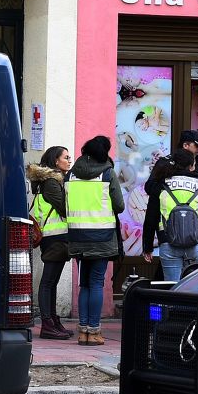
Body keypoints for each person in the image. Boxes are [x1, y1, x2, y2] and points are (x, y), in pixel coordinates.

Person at [65, 136, 124, 346]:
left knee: (85, 284)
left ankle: (82, 332)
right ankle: (94, 331)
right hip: (102, 237)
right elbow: (119, 206)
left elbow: (65, 206)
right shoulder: (107, 173)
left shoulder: (71, 175)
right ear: (104, 153)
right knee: (97, 283)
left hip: (78, 237)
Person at [141, 149, 198, 282]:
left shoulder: (161, 185)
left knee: (172, 288)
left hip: (168, 244)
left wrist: (147, 247)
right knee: (191, 288)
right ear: (191, 166)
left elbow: (150, 218)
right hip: (196, 244)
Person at [27, 146, 74, 341]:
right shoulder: (51, 183)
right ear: (56, 161)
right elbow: (64, 208)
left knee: (51, 282)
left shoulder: (49, 181)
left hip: (55, 237)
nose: (69, 160)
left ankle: (53, 321)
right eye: (66, 157)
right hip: (55, 238)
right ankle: (47, 324)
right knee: (48, 282)